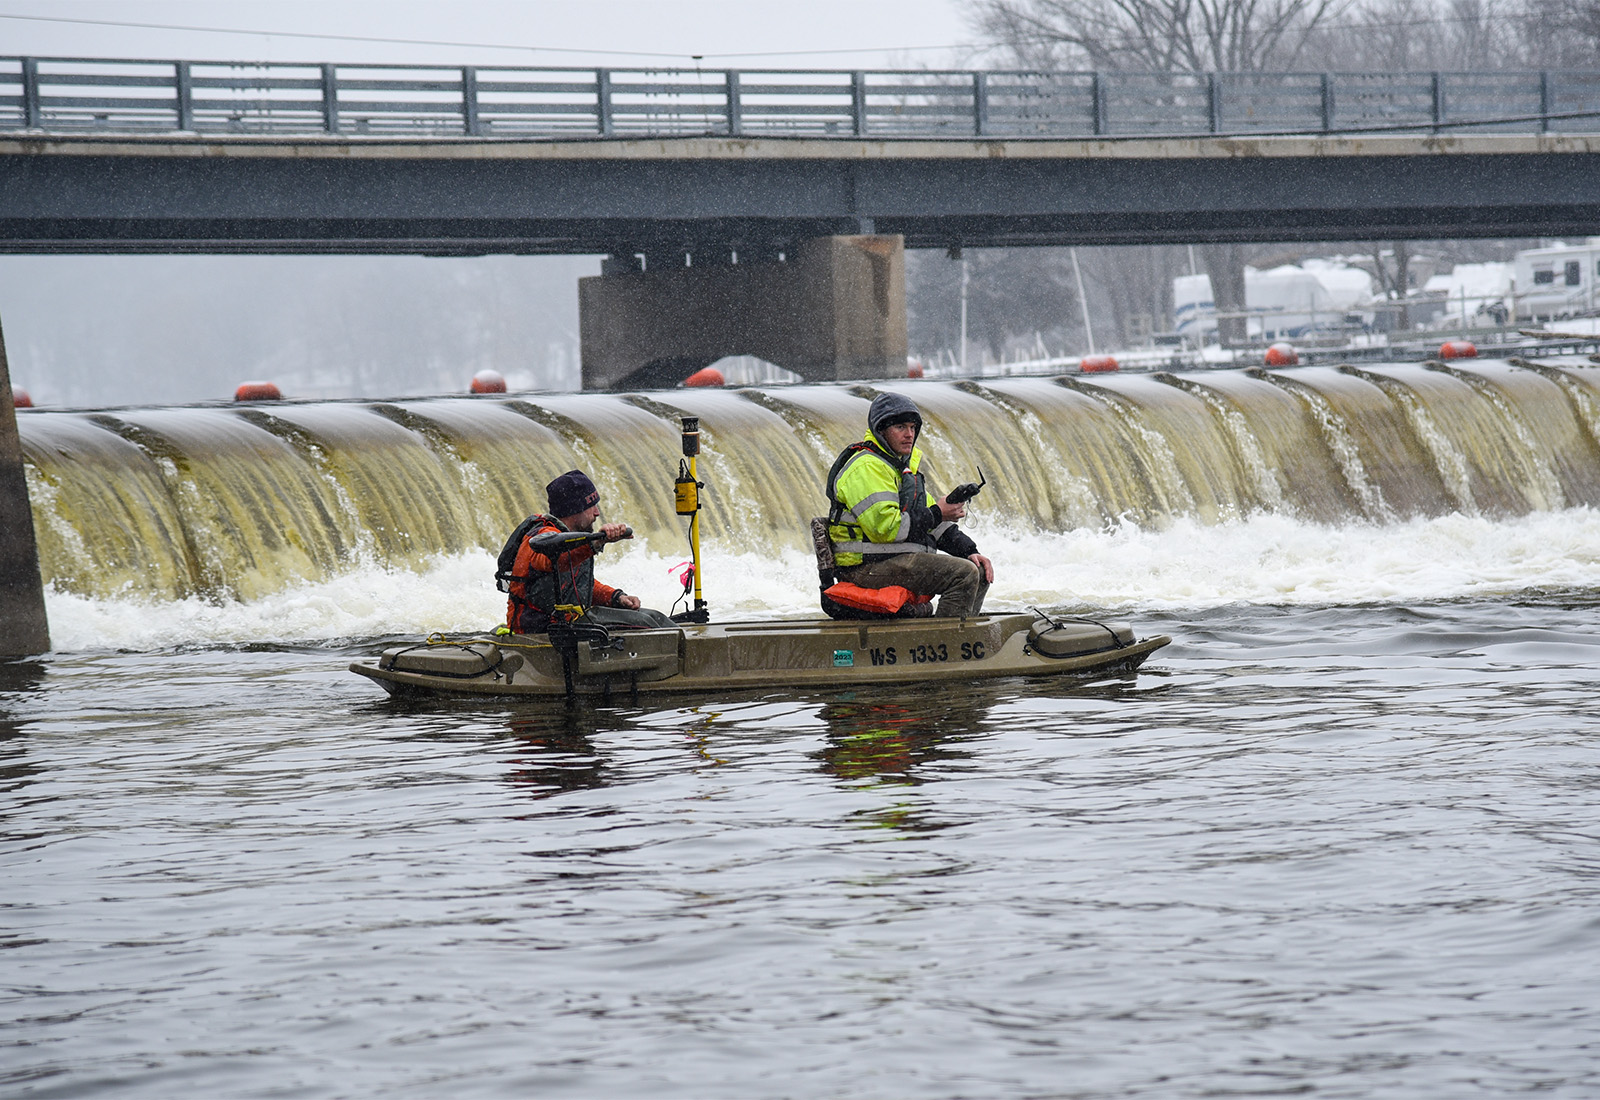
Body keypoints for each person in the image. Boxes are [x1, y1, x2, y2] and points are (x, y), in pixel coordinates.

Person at [825, 392, 994, 618]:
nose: (909, 435)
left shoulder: (901, 468)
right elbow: (886, 529)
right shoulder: (866, 468)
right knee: (963, 574)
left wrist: (969, 550)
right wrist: (937, 513)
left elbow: (934, 523)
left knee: (978, 569)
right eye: (901, 427)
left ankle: (961, 639)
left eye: (913, 428)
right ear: (881, 430)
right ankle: (945, 644)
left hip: (893, 562)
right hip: (865, 569)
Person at [501, 469, 676, 634]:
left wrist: (616, 597)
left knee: (654, 617)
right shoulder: (541, 538)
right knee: (647, 625)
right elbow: (556, 560)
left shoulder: (569, 537)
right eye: (591, 506)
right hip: (539, 631)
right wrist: (598, 542)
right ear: (574, 510)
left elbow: (578, 586)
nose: (597, 513)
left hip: (565, 625)